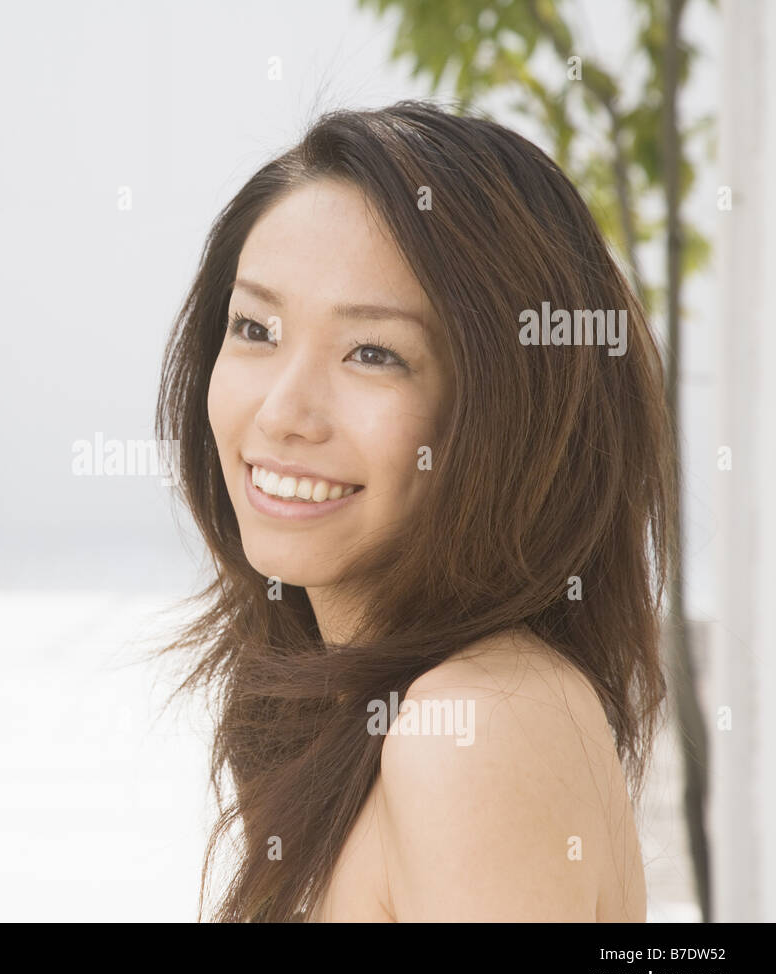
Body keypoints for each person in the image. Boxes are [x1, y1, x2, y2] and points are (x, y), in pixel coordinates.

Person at [154, 101, 677, 922]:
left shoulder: (471, 731)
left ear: (510, 414)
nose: (284, 413)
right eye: (256, 327)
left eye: (373, 353)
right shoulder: (338, 697)